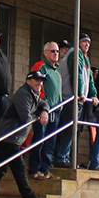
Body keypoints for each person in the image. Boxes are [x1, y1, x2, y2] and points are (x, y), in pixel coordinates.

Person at [0, 69, 51, 198]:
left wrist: (44, 110)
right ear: (28, 81)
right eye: (37, 80)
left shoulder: (33, 94)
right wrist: (39, 115)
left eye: (41, 81)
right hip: (9, 138)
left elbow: (43, 103)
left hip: (13, 139)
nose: (40, 83)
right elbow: (26, 117)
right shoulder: (23, 94)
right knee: (19, 171)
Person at [56, 34, 95, 169]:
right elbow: (76, 74)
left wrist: (93, 94)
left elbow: (89, 79)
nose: (87, 44)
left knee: (73, 130)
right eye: (84, 41)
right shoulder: (75, 54)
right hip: (70, 97)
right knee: (68, 129)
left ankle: (67, 157)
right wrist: (79, 93)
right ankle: (61, 157)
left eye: (88, 42)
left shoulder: (85, 58)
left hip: (79, 99)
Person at [31, 41, 64, 178]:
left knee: (50, 142)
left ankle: (45, 169)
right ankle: (35, 169)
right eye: (52, 51)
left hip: (56, 111)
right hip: (43, 110)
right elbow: (36, 88)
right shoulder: (41, 67)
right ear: (45, 53)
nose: (56, 53)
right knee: (40, 139)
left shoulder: (56, 71)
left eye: (57, 51)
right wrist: (43, 106)